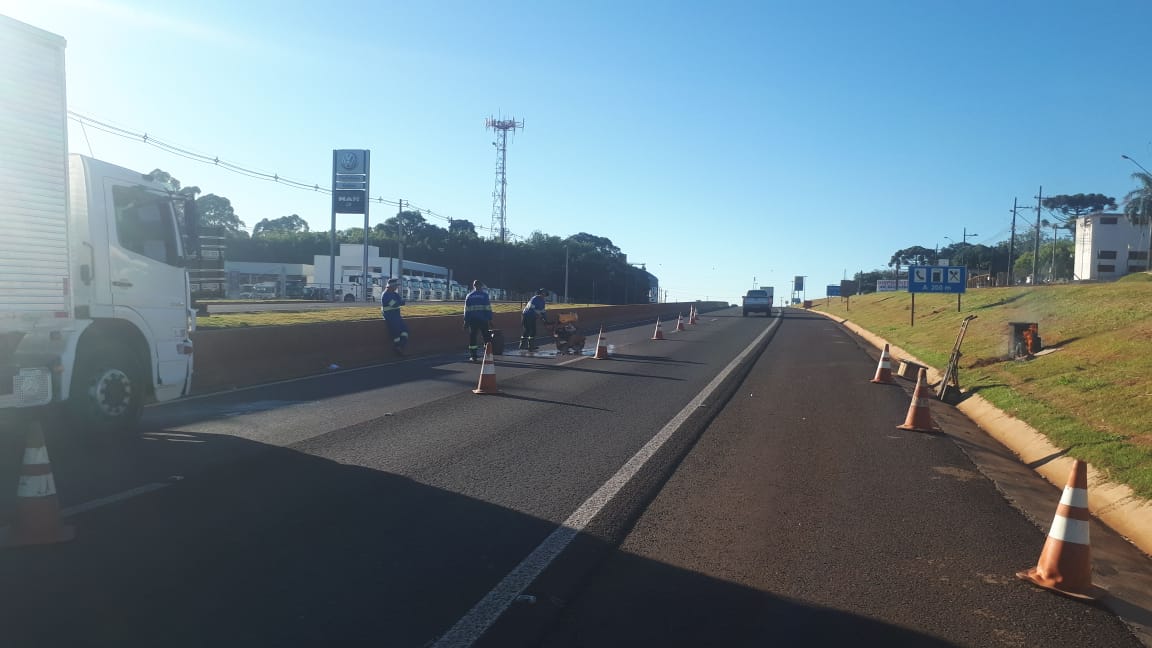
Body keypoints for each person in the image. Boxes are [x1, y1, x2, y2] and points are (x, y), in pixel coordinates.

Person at [463, 279, 493, 362]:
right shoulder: (484, 295)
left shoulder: (469, 295)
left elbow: (467, 310)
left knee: (473, 337)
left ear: (474, 286)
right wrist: (490, 319)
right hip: (483, 319)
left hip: (473, 320)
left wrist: (466, 321)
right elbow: (488, 308)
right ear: (481, 286)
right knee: (486, 337)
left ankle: (473, 356)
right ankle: (488, 354)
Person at [380, 277, 408, 355]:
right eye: (395, 286)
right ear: (391, 286)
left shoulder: (394, 294)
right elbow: (395, 304)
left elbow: (402, 302)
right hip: (390, 317)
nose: (396, 287)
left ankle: (400, 346)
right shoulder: (386, 295)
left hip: (397, 316)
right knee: (396, 333)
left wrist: (399, 302)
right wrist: (400, 302)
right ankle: (397, 347)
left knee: (405, 331)